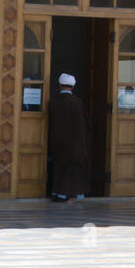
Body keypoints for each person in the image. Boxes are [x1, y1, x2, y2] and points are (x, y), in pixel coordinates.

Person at [49, 72, 89, 202]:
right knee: (76, 169)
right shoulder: (78, 102)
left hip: (59, 141)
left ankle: (60, 193)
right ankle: (77, 194)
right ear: (72, 87)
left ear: (60, 86)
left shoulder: (54, 102)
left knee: (60, 167)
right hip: (77, 142)